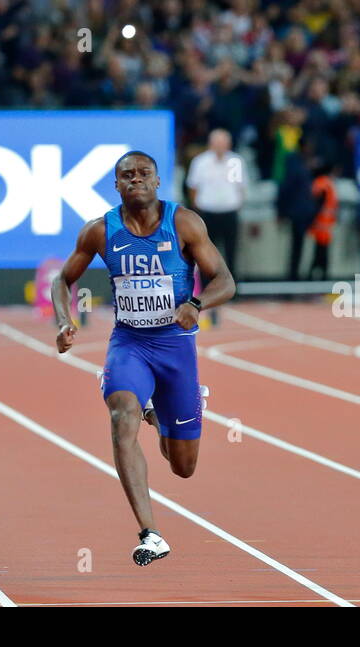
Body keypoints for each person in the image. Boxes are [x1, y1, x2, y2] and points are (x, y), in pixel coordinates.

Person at [52, 151, 235, 566]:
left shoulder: (184, 223)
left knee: (182, 465)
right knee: (120, 417)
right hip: (129, 345)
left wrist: (194, 303)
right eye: (126, 175)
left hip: (176, 350)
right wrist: (63, 320)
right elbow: (62, 279)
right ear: (116, 185)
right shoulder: (100, 231)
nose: (135, 180)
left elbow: (225, 280)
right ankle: (150, 533)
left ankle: (160, 415)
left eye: (143, 174)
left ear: (157, 181)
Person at [186, 129, 245, 277]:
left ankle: (232, 287)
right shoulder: (200, 162)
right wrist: (197, 208)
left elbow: (241, 187)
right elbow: (193, 187)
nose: (220, 146)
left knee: (231, 252)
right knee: (206, 252)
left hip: (229, 212)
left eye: (223, 143)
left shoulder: (235, 162)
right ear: (210, 144)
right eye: (217, 143)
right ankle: (208, 287)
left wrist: (237, 204)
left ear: (229, 144)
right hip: (208, 213)